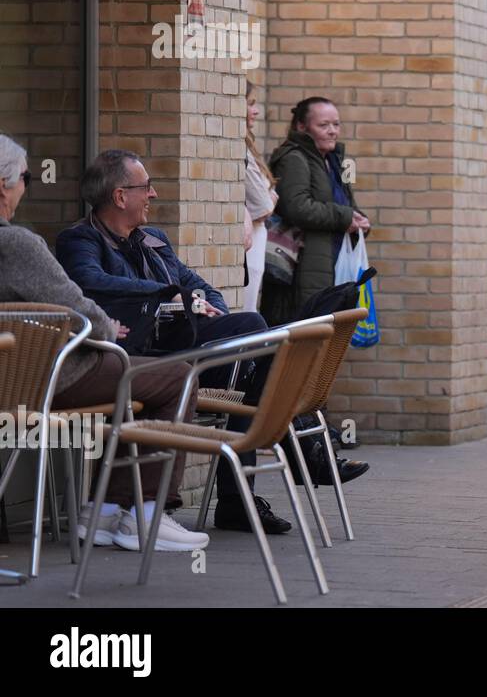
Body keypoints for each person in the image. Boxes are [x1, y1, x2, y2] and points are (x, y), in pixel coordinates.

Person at [55, 150, 294, 535]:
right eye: (146, 187)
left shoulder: (153, 239)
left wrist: (204, 305)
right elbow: (88, 283)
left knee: (263, 348)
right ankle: (264, 473)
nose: (153, 194)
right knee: (258, 332)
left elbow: (198, 286)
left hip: (181, 344)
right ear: (120, 197)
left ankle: (239, 494)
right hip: (136, 354)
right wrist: (168, 295)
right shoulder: (80, 240)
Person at [0, 135, 205, 551]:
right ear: (3, 184)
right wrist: (107, 328)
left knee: (137, 377)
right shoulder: (16, 243)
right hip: (43, 381)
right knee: (177, 377)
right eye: (26, 178)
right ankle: (146, 514)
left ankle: (106, 510)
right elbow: (79, 309)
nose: (26, 187)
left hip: (17, 381)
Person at [260, 96, 370, 327]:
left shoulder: (336, 161)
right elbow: (297, 207)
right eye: (323, 125)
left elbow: (347, 204)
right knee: (303, 335)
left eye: (336, 124)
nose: (332, 131)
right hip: (302, 269)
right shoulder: (293, 158)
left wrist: (359, 220)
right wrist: (345, 218)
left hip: (330, 262)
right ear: (302, 126)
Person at [244, 83, 278, 314]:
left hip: (256, 245)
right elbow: (265, 206)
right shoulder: (241, 149)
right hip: (250, 249)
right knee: (246, 312)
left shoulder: (247, 146)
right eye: (250, 104)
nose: (256, 111)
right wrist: (270, 198)